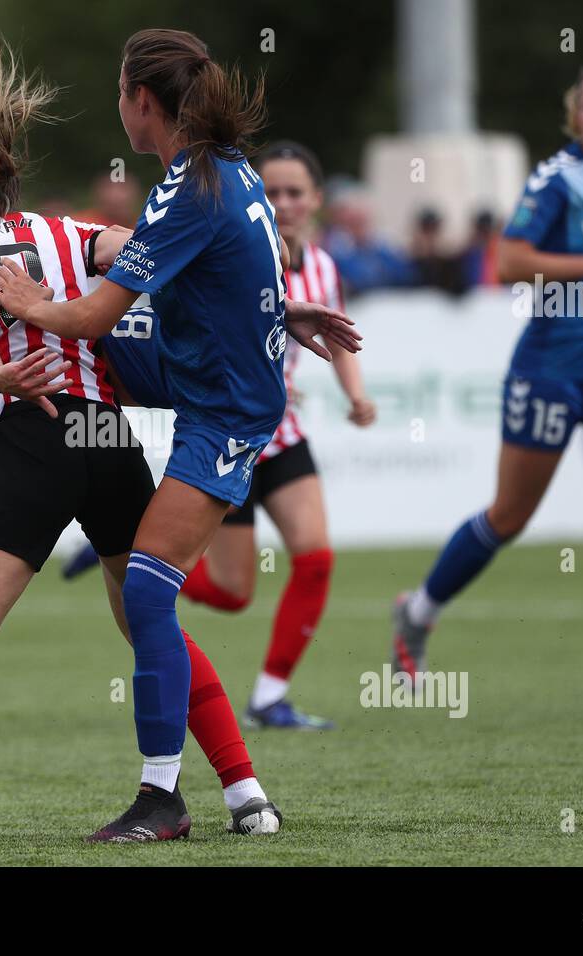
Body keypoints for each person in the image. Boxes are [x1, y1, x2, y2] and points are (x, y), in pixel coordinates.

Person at [0, 29, 350, 848]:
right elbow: (158, 261)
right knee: (149, 615)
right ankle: (246, 789)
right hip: (109, 431)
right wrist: (268, 303)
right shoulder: (70, 231)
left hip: (50, 433)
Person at [0, 28, 360, 840]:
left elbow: (90, 315)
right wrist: (280, 311)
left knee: (151, 595)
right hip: (192, 367)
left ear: (142, 102)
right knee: (52, 359)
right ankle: (244, 799)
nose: (119, 105)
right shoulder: (222, 171)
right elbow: (237, 269)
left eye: (122, 92)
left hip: (225, 409)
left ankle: (163, 799)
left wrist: (22, 302)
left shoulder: (190, 189)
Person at [389, 57, 583, 693]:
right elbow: (507, 261)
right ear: (575, 116)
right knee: (509, 516)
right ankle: (417, 611)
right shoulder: (556, 179)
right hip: (550, 370)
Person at [65, 141, 376, 730]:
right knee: (234, 593)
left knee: (315, 558)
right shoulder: (224, 238)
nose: (282, 202)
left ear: (315, 200)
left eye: (294, 192)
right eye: (274, 190)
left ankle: (269, 697)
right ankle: (136, 559)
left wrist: (356, 395)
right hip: (224, 431)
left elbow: (334, 335)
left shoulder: (323, 266)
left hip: (279, 433)